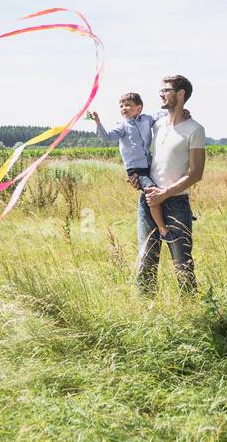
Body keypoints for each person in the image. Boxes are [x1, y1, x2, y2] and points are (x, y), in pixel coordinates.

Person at [132, 75, 205, 293]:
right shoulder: (156, 125)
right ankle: (146, 309)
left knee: (182, 261)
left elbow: (196, 173)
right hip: (148, 200)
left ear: (181, 94)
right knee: (146, 258)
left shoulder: (194, 129)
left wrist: (165, 193)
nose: (161, 94)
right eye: (161, 91)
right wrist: (137, 176)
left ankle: (191, 310)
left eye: (166, 90)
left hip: (176, 203)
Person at [86, 93, 168, 238]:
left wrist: (181, 111)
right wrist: (97, 121)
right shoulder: (122, 126)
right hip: (136, 169)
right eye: (121, 106)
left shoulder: (147, 119)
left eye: (128, 105)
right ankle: (162, 228)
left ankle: (177, 215)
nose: (124, 108)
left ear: (138, 108)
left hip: (149, 164)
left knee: (165, 186)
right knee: (151, 191)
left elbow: (162, 113)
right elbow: (106, 137)